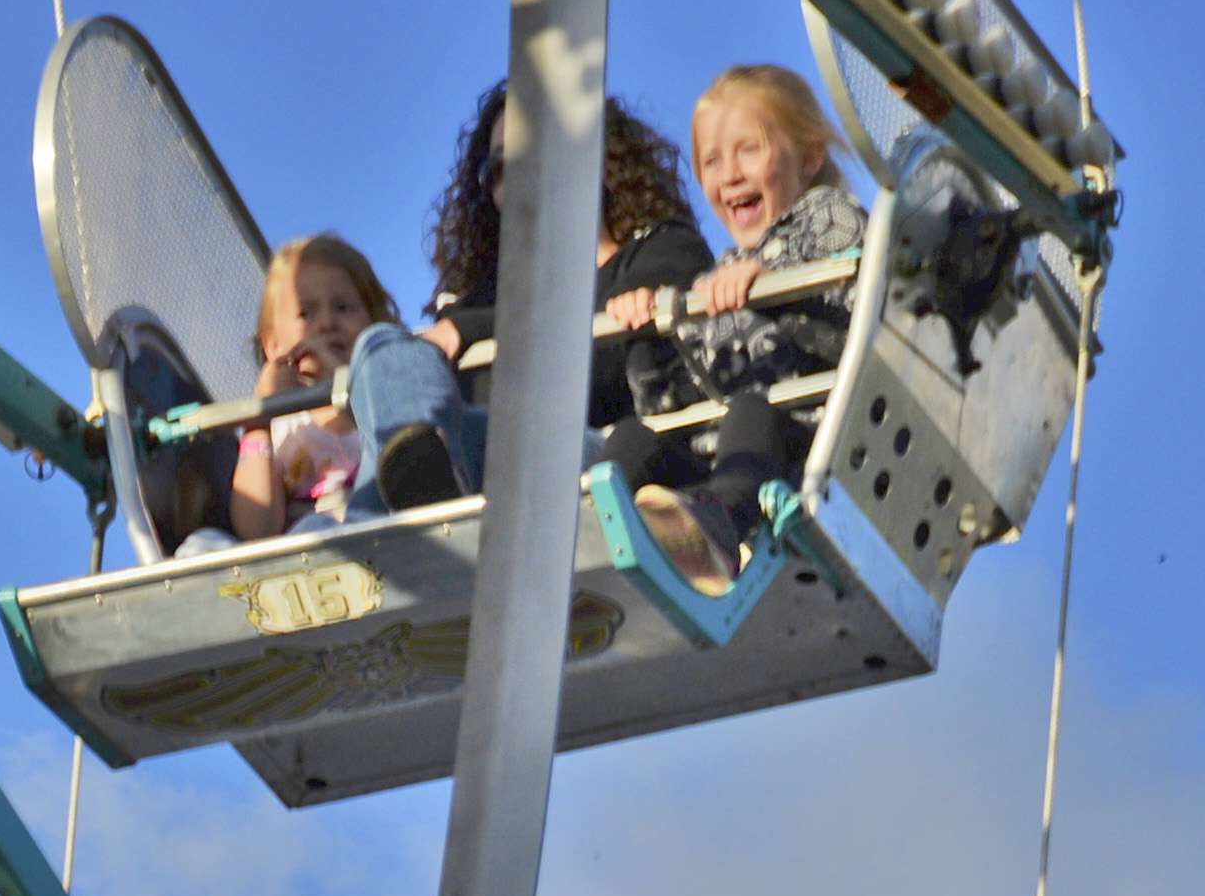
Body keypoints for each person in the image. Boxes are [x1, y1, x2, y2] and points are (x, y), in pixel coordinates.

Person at [345, 81, 701, 515]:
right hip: (490, 472)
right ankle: (401, 535)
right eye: (499, 168)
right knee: (381, 349)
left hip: (607, 459)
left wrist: (471, 330)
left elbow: (601, 364)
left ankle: (385, 553)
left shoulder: (661, 252)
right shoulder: (477, 301)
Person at [607, 62, 872, 584]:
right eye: (711, 161)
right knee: (634, 436)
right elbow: (672, 399)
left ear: (809, 156)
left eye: (748, 149)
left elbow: (843, 257)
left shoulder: (826, 215)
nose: (729, 174)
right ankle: (590, 537)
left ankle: (720, 526)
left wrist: (769, 273)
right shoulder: (717, 274)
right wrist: (648, 335)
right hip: (715, 458)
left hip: (801, 439)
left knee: (753, 409)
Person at [224, 233, 397, 543]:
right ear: (274, 345)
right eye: (306, 313)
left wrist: (344, 386)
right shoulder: (280, 431)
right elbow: (256, 530)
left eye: (344, 307)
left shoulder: (388, 395)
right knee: (204, 542)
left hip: (380, 542)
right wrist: (258, 420)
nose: (327, 323)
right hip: (303, 570)